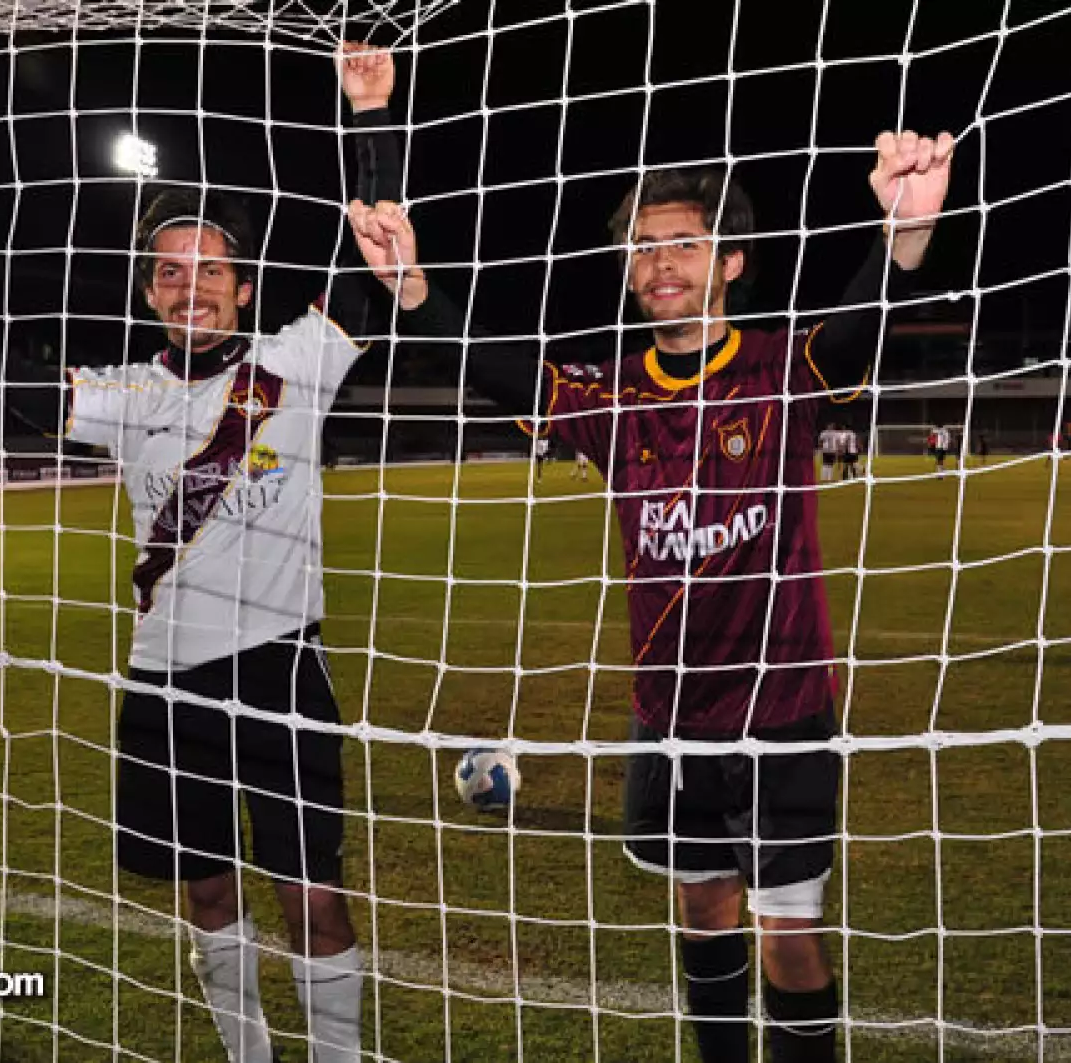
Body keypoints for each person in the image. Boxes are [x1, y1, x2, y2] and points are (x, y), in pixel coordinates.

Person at [347, 130, 955, 1063]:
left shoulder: (780, 371)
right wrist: (413, 289)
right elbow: (504, 371)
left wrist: (903, 236)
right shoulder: (615, 394)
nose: (660, 262)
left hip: (783, 716)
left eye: (682, 243)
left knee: (790, 940)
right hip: (668, 719)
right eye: (643, 247)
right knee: (703, 911)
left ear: (731, 262)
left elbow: (856, 329)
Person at [0, 46, 439, 1063]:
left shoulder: (298, 361)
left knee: (314, 895)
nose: (189, 286)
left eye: (210, 270)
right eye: (169, 271)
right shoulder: (126, 394)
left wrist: (369, 117)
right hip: (163, 685)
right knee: (205, 894)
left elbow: (373, 245)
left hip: (281, 672)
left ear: (242, 287)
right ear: (150, 291)